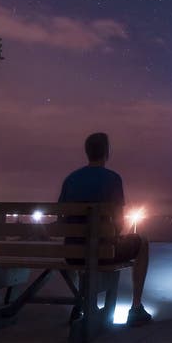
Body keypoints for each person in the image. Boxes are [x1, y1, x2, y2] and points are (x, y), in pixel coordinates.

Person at [58, 132, 152, 327]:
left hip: (73, 254)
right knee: (142, 242)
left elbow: (61, 220)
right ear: (107, 152)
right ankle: (136, 308)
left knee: (87, 250)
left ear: (87, 152)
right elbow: (118, 223)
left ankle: (82, 302)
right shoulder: (112, 179)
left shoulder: (71, 179)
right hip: (102, 253)